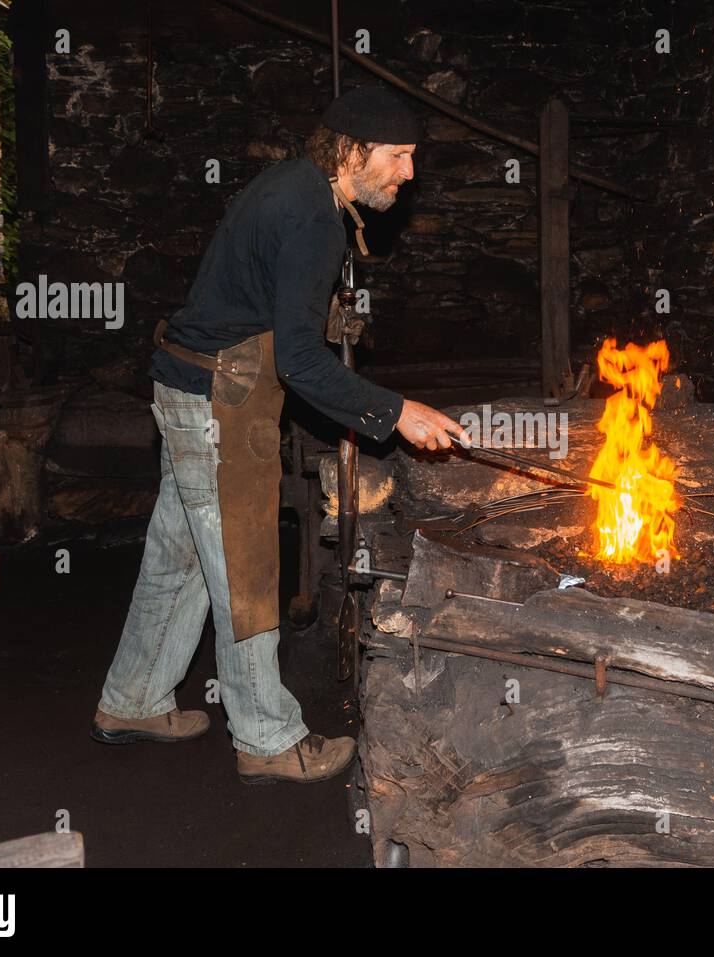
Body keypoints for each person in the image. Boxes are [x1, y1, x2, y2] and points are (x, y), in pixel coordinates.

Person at [91, 86, 463, 784]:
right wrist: (395, 410)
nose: (408, 174)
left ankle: (132, 698)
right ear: (352, 152)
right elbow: (296, 360)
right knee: (246, 568)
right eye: (399, 157)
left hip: (188, 386)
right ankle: (266, 737)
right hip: (216, 402)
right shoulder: (312, 217)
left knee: (180, 559)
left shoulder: (298, 184)